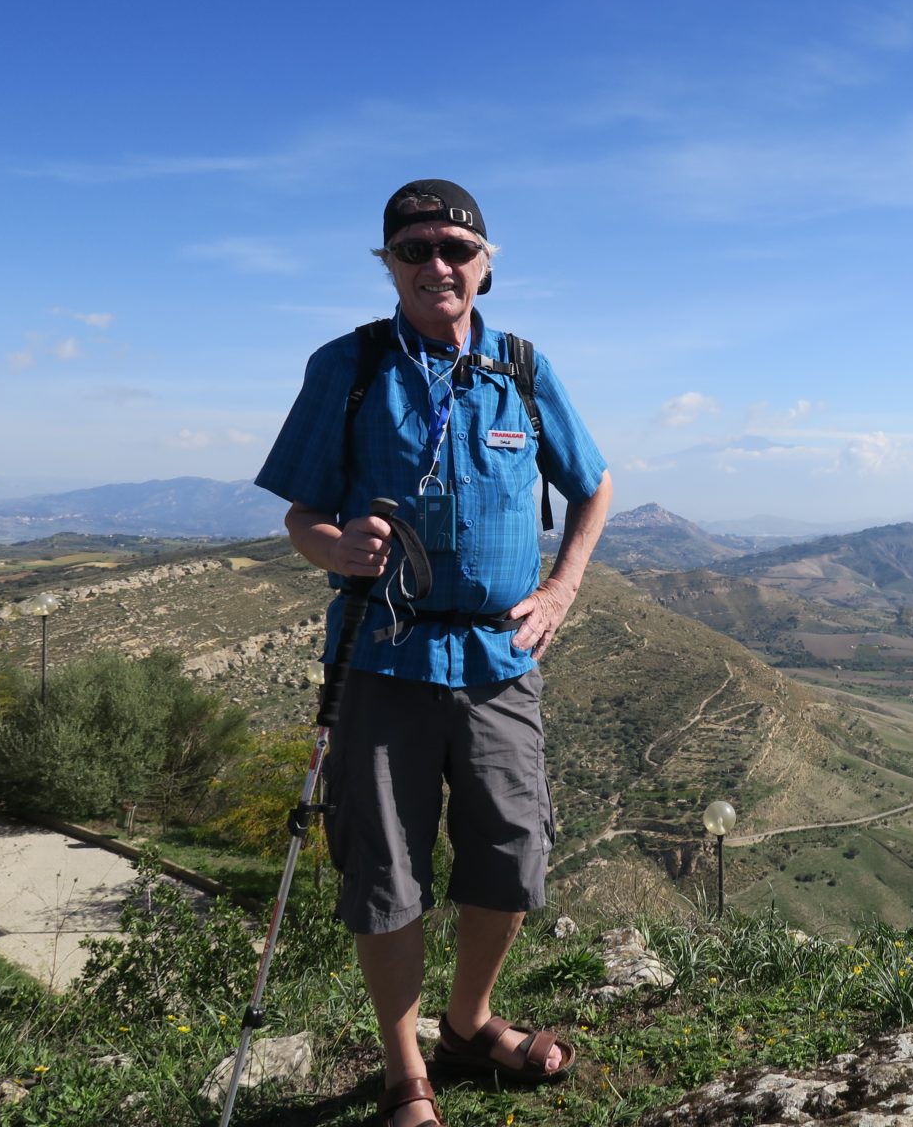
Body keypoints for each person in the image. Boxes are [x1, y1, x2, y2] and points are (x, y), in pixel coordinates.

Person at [256, 179, 611, 1127]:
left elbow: (594, 485)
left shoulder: (525, 369)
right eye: (414, 250)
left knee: (509, 851)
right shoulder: (351, 365)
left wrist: (563, 587)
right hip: (382, 659)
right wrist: (329, 546)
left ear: (487, 263)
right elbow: (301, 510)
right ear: (389, 266)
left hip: (499, 662)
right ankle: (406, 1069)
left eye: (456, 248)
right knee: (387, 868)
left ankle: (471, 1022)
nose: (437, 265)